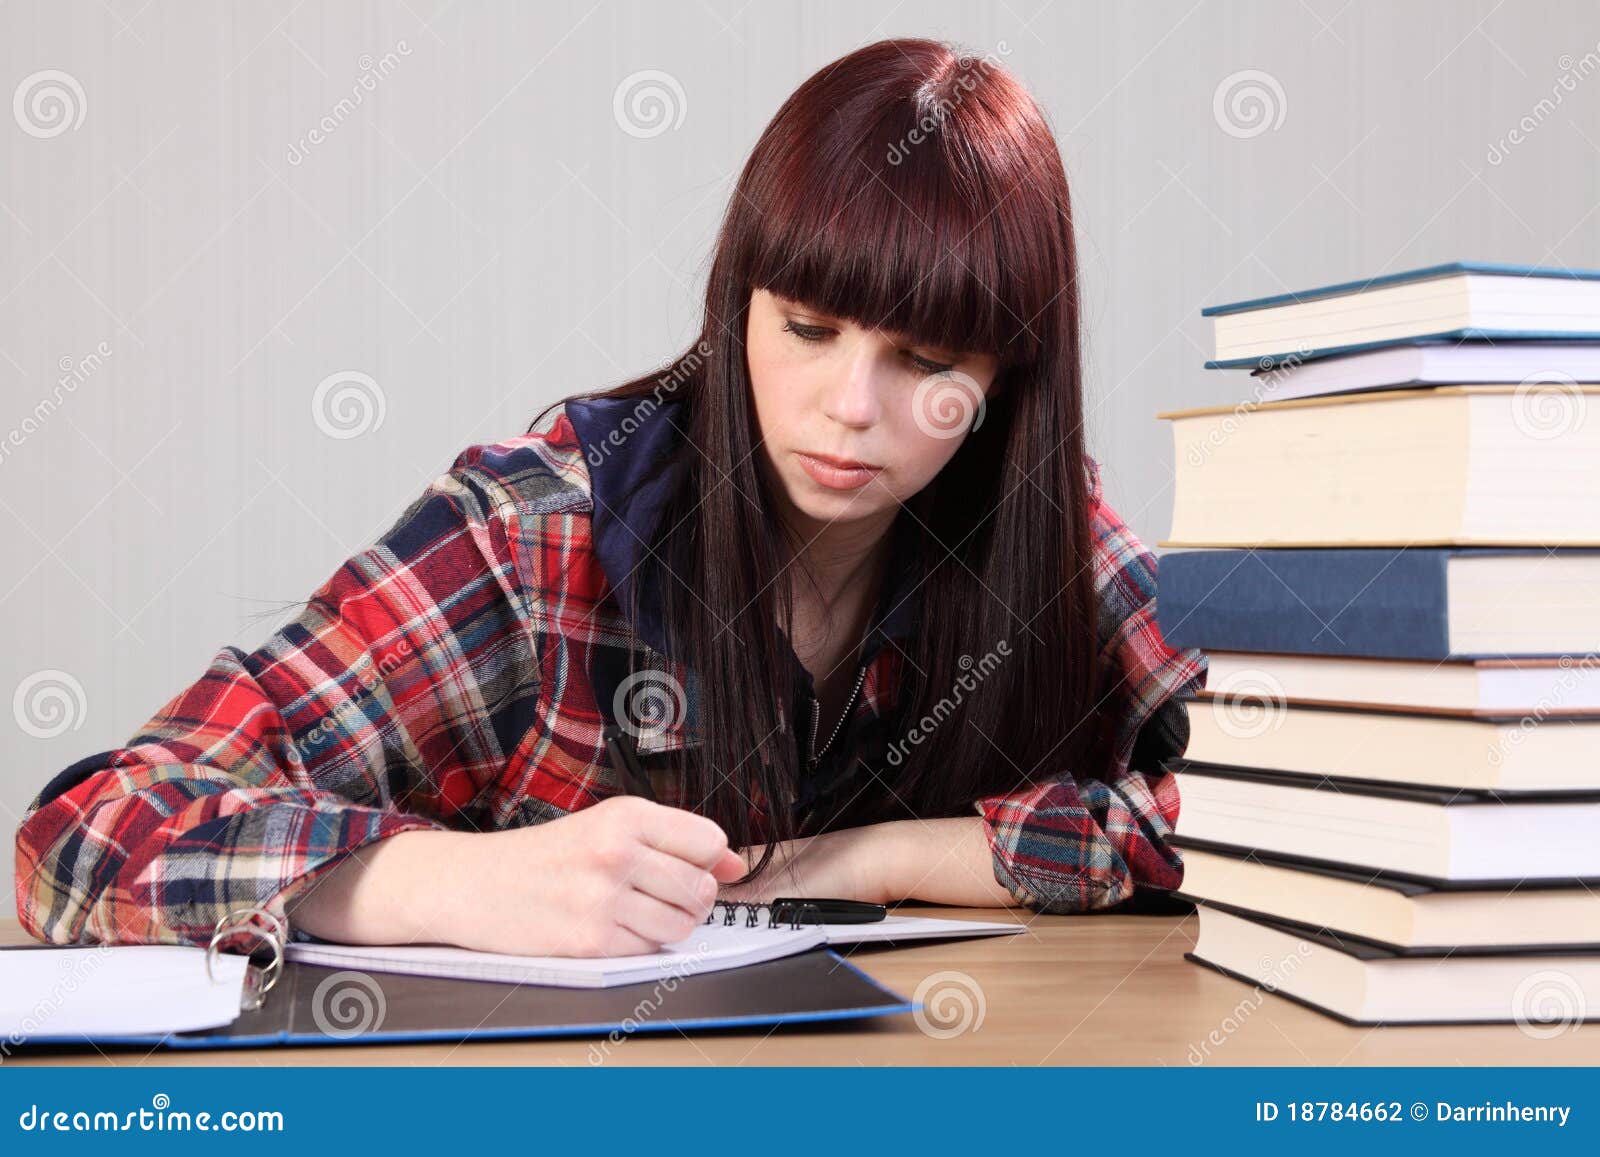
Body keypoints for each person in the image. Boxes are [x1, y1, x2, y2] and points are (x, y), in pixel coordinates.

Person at [14, 38, 1205, 958]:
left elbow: (1316, 817)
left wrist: (874, 854)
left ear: (1010, 378)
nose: (852, 403)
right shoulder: (536, 536)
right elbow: (80, 838)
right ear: (735, 306)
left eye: (929, 362)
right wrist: (445, 881)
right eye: (806, 327)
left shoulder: (1050, 533)